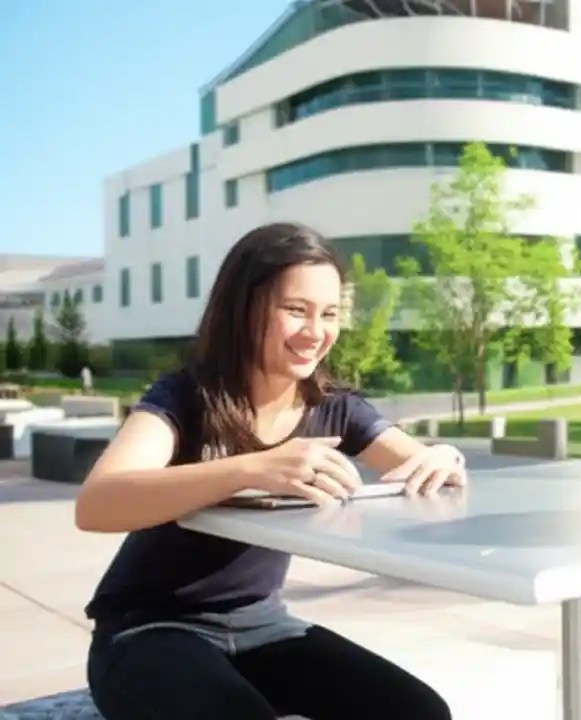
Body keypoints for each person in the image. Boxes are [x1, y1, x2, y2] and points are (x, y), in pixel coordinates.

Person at [75, 223, 466, 720]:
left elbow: (421, 466)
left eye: (329, 314)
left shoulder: (335, 407)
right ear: (244, 308)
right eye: (295, 310)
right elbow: (97, 502)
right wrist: (252, 468)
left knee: (419, 712)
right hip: (149, 630)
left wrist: (444, 457)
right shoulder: (185, 396)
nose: (316, 332)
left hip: (263, 626)